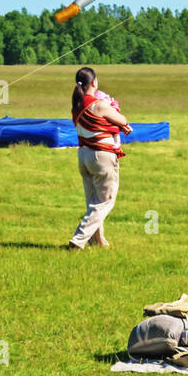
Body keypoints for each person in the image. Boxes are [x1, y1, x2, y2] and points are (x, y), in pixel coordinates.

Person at [67, 66, 132, 251]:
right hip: (101, 156)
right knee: (106, 201)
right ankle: (78, 240)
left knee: (93, 202)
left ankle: (97, 241)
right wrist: (121, 122)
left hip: (84, 156)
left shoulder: (77, 106)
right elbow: (122, 118)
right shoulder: (100, 105)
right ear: (94, 82)